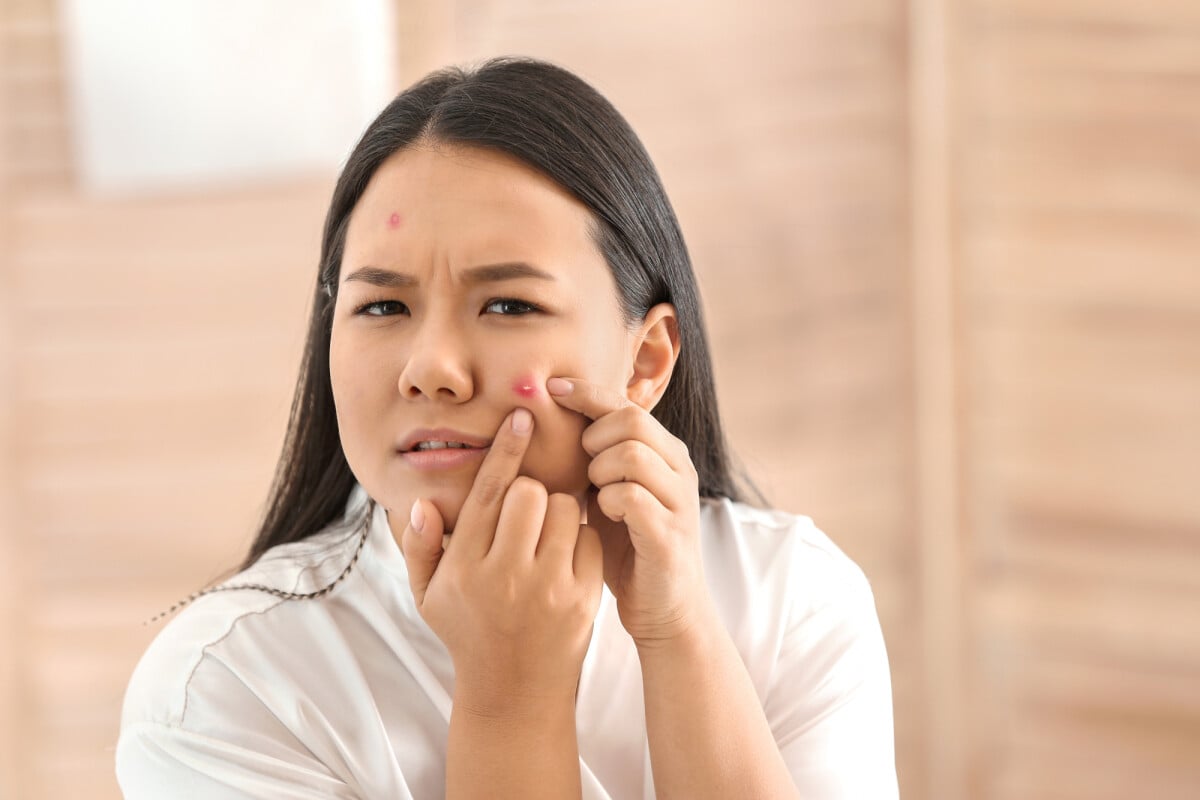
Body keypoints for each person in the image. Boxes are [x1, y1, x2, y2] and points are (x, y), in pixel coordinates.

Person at [116, 57, 898, 799]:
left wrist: (679, 630)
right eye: (382, 307)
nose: (431, 369)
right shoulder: (225, 686)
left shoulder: (795, 600)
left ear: (647, 359)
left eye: (507, 304)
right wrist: (507, 696)